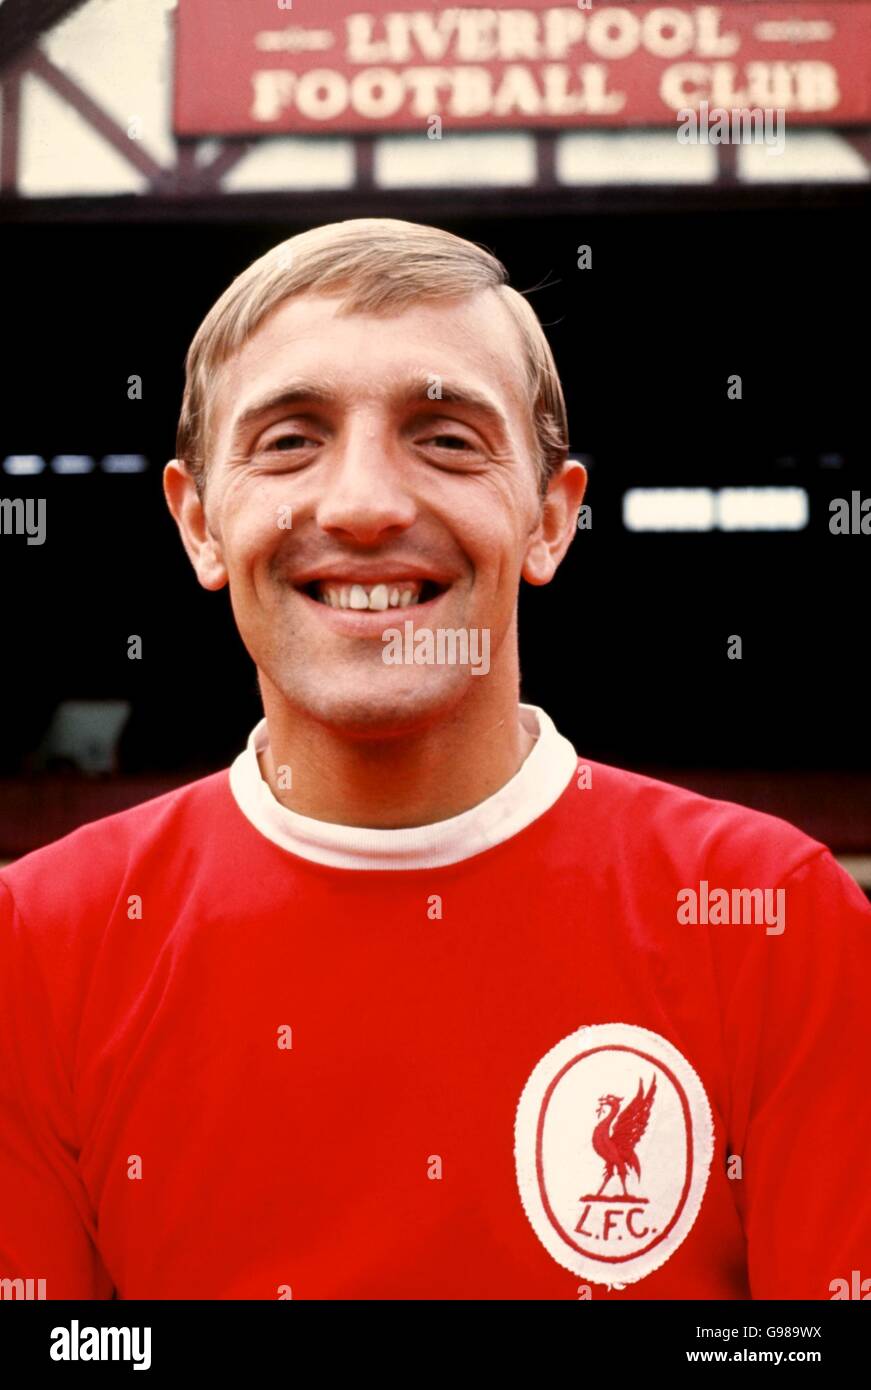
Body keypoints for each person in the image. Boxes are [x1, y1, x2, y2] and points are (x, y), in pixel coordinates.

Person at [1, 218, 868, 1300]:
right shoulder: (34, 948)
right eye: (289, 440)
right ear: (199, 525)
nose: (365, 503)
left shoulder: (776, 918)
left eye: (447, 436)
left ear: (551, 521)